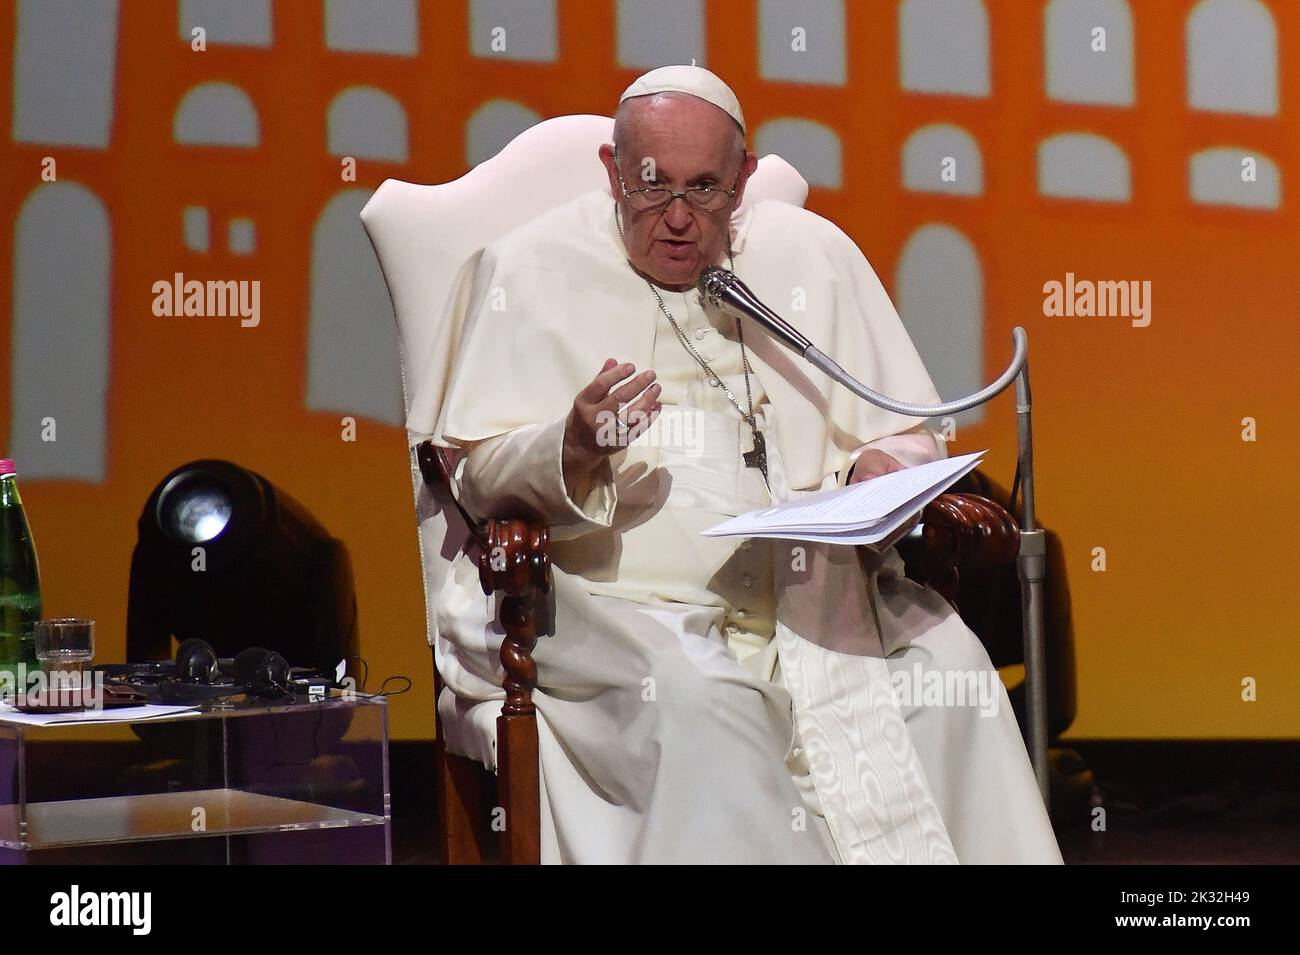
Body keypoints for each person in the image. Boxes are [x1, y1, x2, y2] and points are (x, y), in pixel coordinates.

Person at [406, 65, 1062, 864]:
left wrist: (882, 463)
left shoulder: (805, 255)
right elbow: (476, 477)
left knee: (949, 668)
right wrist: (572, 444)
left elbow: (900, 427)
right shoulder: (530, 269)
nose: (678, 219)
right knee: (703, 700)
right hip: (617, 605)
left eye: (706, 189)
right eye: (652, 188)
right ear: (614, 171)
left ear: (744, 180)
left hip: (817, 595)